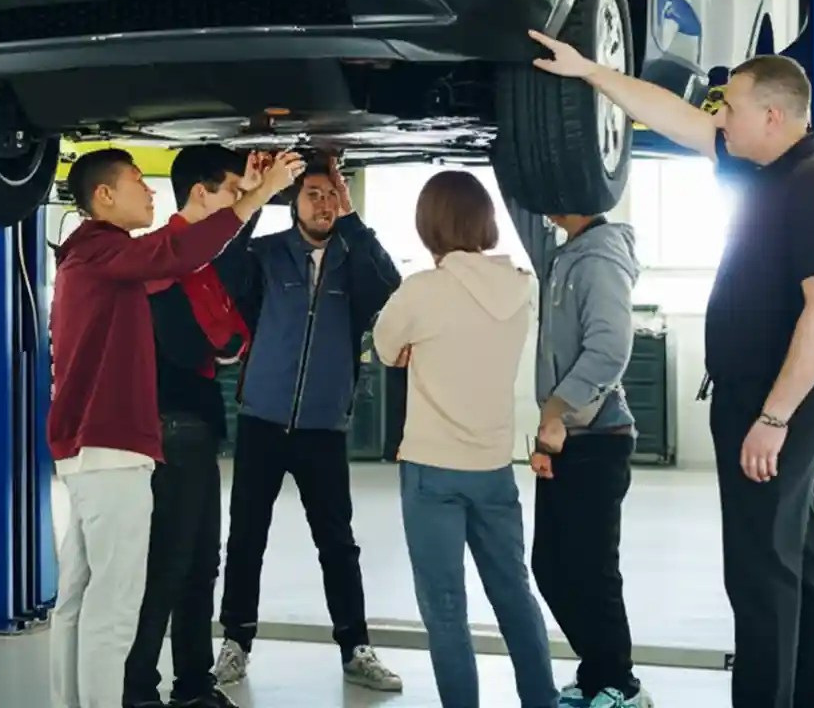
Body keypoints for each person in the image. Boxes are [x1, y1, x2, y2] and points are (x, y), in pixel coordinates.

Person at [528, 31, 814, 708]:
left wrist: (772, 417)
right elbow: (676, 118)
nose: (719, 116)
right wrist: (593, 72)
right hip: (757, 397)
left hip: (775, 403)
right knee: (796, 561)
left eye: (731, 106)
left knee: (760, 573)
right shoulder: (759, 167)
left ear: (773, 115)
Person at [48, 147, 304, 708]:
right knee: (113, 607)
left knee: (78, 600)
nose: (151, 191)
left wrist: (247, 201)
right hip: (113, 450)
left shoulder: (93, 258)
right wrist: (259, 196)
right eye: (139, 181)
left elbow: (183, 248)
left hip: (95, 450)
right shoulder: (103, 251)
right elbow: (178, 249)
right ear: (104, 197)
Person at [214, 158, 405, 692]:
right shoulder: (268, 253)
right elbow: (224, 270)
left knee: (337, 542)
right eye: (313, 193)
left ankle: (355, 646)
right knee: (247, 537)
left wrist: (355, 222)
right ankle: (235, 642)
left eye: (330, 194)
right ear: (293, 201)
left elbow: (392, 289)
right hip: (262, 419)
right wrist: (252, 201)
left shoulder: (353, 256)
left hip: (324, 426)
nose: (322, 203)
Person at [372, 170, 558, 708]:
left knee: (445, 608)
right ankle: (540, 701)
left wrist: (413, 348)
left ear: (429, 225)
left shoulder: (423, 290)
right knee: (514, 595)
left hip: (431, 468)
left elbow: (386, 348)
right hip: (494, 467)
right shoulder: (522, 285)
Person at [121, 146, 275, 708]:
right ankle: (138, 691)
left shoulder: (201, 262)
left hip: (195, 429)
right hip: (170, 428)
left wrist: (255, 194)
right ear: (201, 194)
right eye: (233, 193)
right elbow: (194, 342)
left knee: (199, 566)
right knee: (168, 566)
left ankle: (193, 686)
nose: (241, 204)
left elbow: (226, 257)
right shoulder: (164, 260)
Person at [527, 211, 651, 708]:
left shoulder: (599, 259)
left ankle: (621, 685)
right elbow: (522, 210)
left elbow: (610, 349)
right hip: (566, 437)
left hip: (597, 438)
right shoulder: (562, 252)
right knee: (552, 567)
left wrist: (554, 412)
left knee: (592, 571)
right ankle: (599, 670)